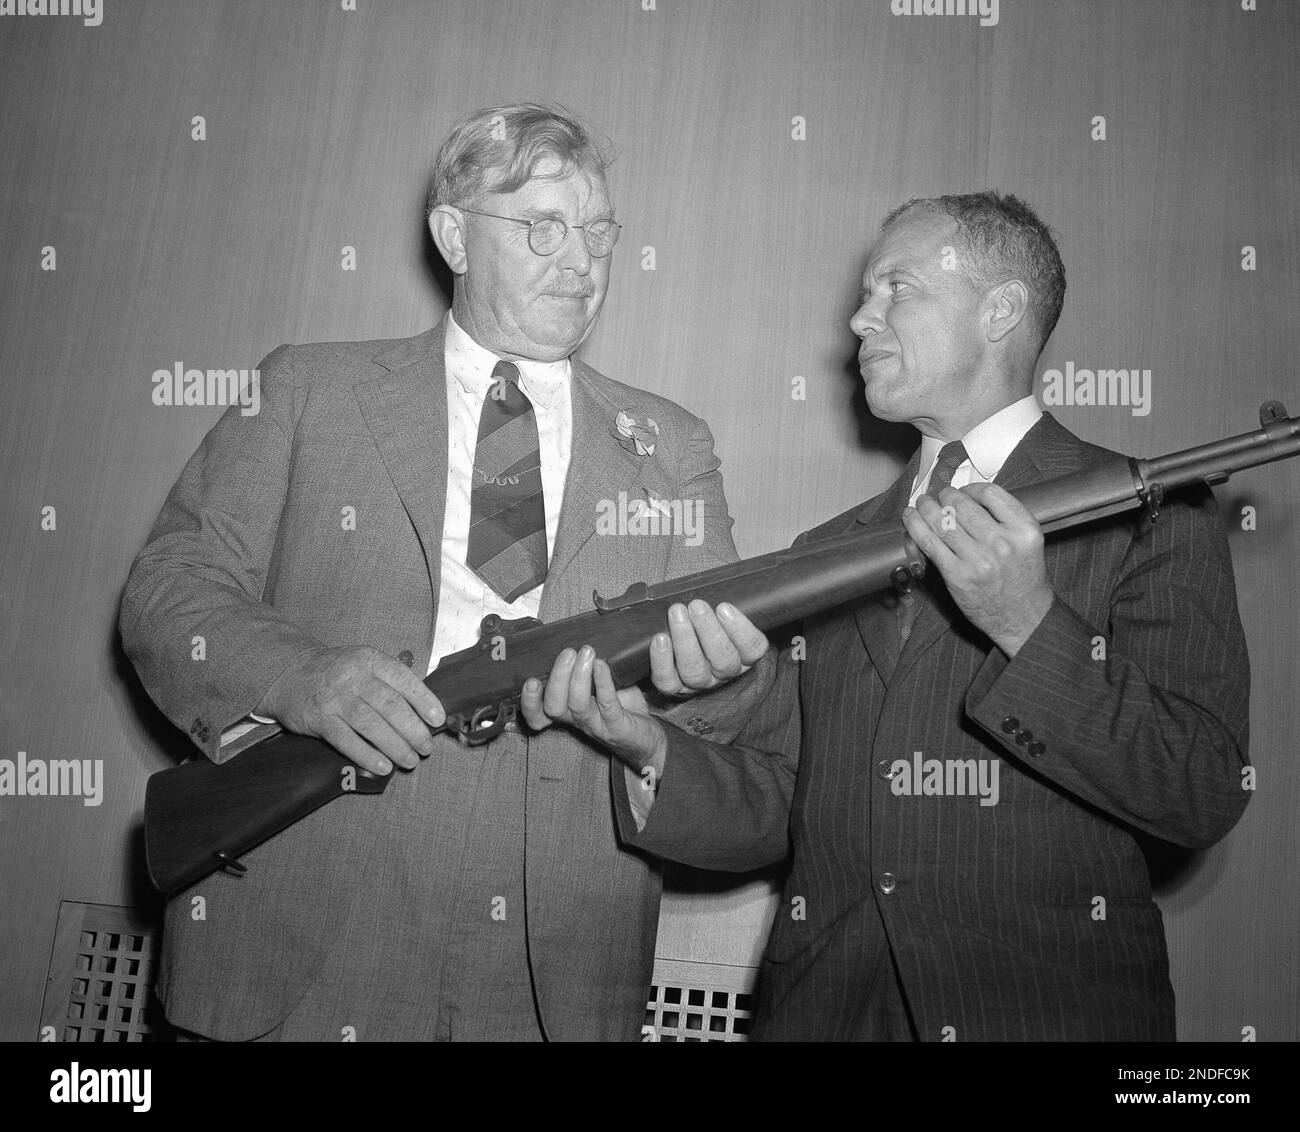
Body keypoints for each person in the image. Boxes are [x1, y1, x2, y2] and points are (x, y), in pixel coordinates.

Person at [527, 191, 1252, 1041]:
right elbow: (785, 804)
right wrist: (648, 747)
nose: (860, 322)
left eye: (895, 290)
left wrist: (1028, 624)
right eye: (863, 297)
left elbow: (1203, 789)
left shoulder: (1153, 510)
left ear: (1001, 309)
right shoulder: (827, 549)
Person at [120, 103, 768, 1042]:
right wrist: (302, 677)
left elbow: (731, 710)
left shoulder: (672, 446)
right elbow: (169, 588)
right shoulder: (307, 388)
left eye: (597, 231)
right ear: (454, 236)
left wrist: (719, 677)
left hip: (553, 961)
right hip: (306, 920)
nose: (581, 262)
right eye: (541, 226)